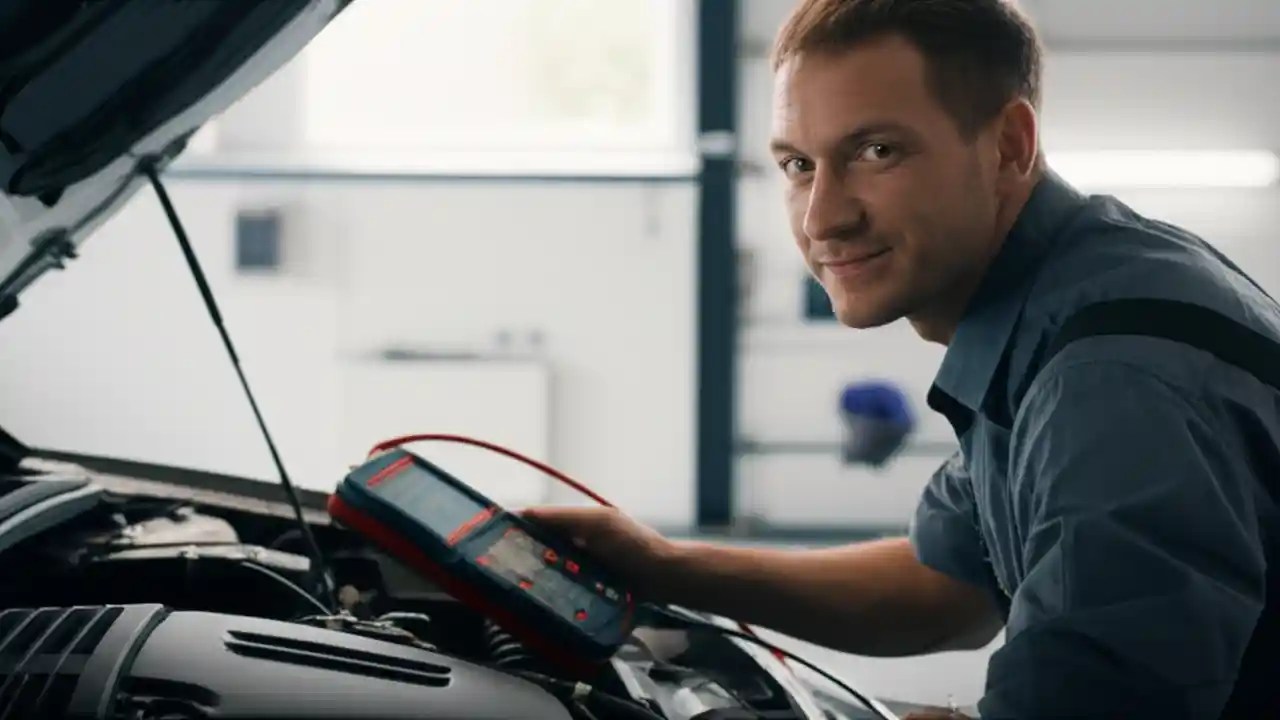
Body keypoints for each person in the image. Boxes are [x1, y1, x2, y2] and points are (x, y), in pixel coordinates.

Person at [524, 0, 1280, 717]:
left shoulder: (1107, 374)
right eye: (797, 166)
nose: (824, 217)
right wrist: (664, 566)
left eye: (876, 151)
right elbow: (941, 584)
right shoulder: (1053, 311)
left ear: (1010, 147)